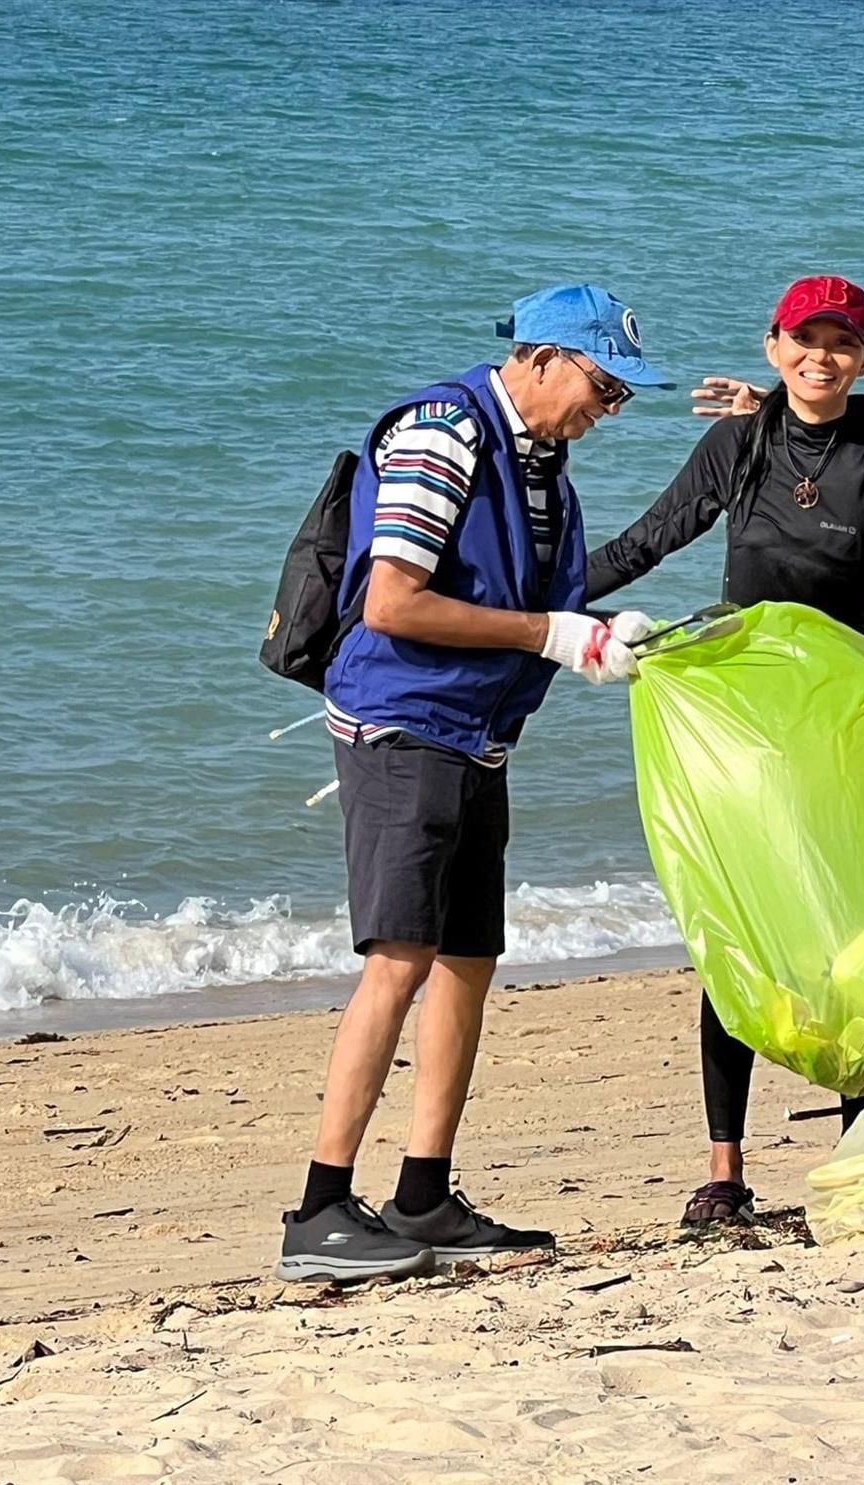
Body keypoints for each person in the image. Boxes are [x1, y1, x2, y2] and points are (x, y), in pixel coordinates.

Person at [278, 285, 668, 1283]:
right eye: (601, 383)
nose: (609, 408)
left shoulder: (545, 468)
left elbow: (538, 598)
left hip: (478, 736)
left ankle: (423, 1194)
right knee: (399, 957)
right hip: (402, 726)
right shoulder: (443, 433)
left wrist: (600, 636)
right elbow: (393, 602)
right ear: (540, 358)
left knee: (466, 957)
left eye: (621, 393)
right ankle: (320, 1209)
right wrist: (549, 634)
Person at [587, 274, 864, 1227]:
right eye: (803, 340)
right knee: (739, 933)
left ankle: (860, 1145)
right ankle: (725, 1168)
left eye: (840, 344)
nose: (819, 357)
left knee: (851, 930)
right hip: (745, 718)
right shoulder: (737, 444)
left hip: (839, 720)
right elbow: (654, 537)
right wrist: (542, 596)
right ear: (772, 347)